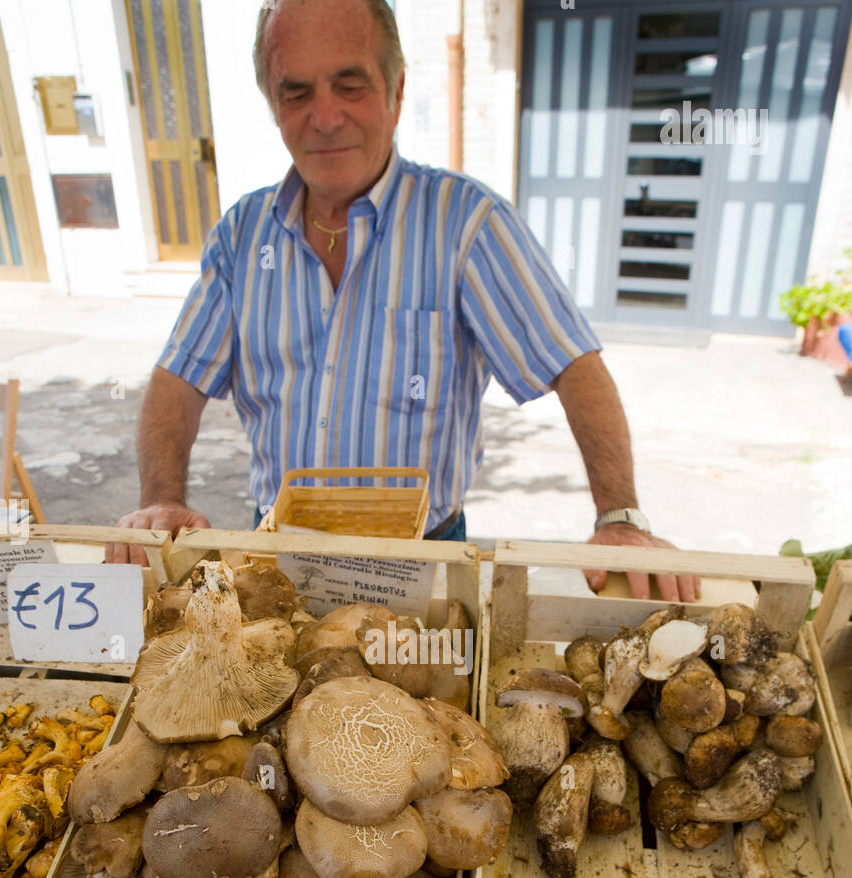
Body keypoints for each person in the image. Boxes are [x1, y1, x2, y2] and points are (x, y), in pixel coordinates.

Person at [109, 0, 699, 602]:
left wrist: (619, 518)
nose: (326, 116)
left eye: (350, 84)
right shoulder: (243, 235)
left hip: (421, 569)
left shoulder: (466, 224)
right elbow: (176, 381)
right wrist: (161, 500)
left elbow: (575, 368)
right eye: (297, 92)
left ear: (395, 91)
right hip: (277, 561)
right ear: (274, 106)